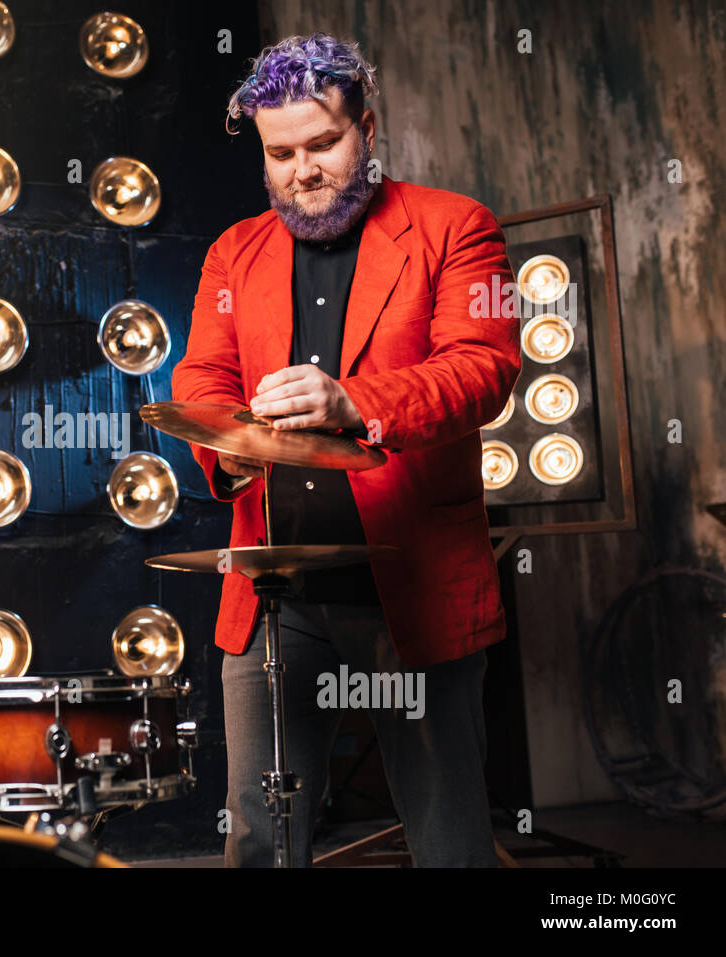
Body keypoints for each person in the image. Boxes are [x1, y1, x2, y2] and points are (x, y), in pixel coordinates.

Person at [170, 32, 522, 867]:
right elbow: (203, 380)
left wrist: (352, 400)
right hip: (273, 595)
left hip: (414, 585)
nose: (303, 169)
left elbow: (486, 367)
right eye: (281, 152)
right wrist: (230, 447)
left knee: (450, 839)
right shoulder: (233, 251)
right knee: (260, 836)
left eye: (323, 142)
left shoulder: (458, 226)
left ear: (366, 124)